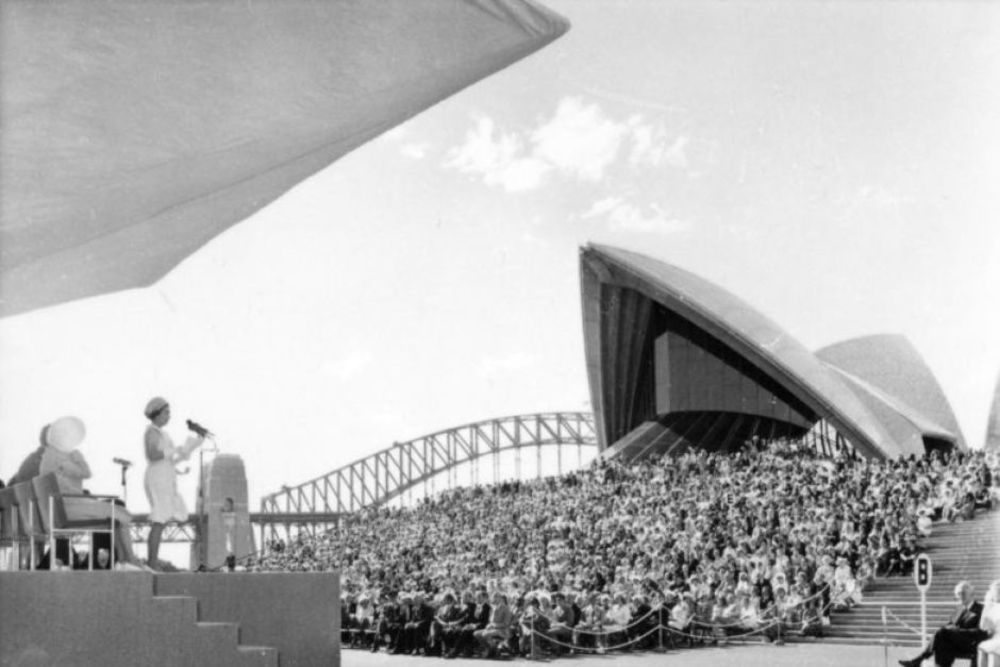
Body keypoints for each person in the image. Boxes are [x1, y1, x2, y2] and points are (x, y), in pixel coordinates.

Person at [38, 416, 142, 568]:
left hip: (67, 506)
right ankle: (129, 560)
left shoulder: (51, 455)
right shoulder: (58, 457)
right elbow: (82, 474)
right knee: (122, 514)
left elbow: (85, 474)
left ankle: (124, 561)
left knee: (118, 517)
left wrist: (76, 458)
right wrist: (77, 459)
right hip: (69, 506)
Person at [143, 397, 202, 570]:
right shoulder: (152, 431)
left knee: (163, 519)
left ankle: (152, 563)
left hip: (164, 477)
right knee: (159, 519)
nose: (169, 416)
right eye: (166, 412)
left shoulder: (162, 433)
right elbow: (153, 455)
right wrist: (175, 450)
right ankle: (151, 564)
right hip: (158, 479)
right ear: (157, 413)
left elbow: (167, 459)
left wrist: (189, 448)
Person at [898, 580, 989, 667]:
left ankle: (919, 660)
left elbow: (981, 632)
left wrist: (959, 631)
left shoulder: (981, 609)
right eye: (958, 594)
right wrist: (950, 630)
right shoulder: (959, 609)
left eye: (963, 593)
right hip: (956, 643)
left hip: (971, 644)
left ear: (972, 594)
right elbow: (949, 625)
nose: (961, 596)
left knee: (942, 633)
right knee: (941, 640)